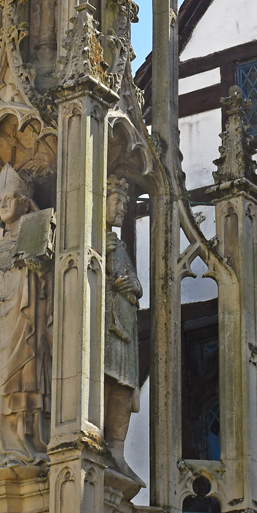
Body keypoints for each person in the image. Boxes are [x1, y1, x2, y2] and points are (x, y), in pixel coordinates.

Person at [0, 165, 51, 475]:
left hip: (24, 322)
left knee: (21, 383)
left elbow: (47, 279)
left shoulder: (34, 230)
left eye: (11, 198)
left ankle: (25, 445)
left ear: (25, 201)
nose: (4, 205)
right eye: (0, 199)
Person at [103, 176, 142, 480]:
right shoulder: (88, 239)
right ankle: (101, 447)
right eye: (116, 202)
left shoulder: (120, 245)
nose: (121, 210)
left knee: (123, 390)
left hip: (125, 332)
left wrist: (133, 285)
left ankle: (116, 450)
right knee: (104, 383)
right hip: (104, 327)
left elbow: (136, 283)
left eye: (125, 205)